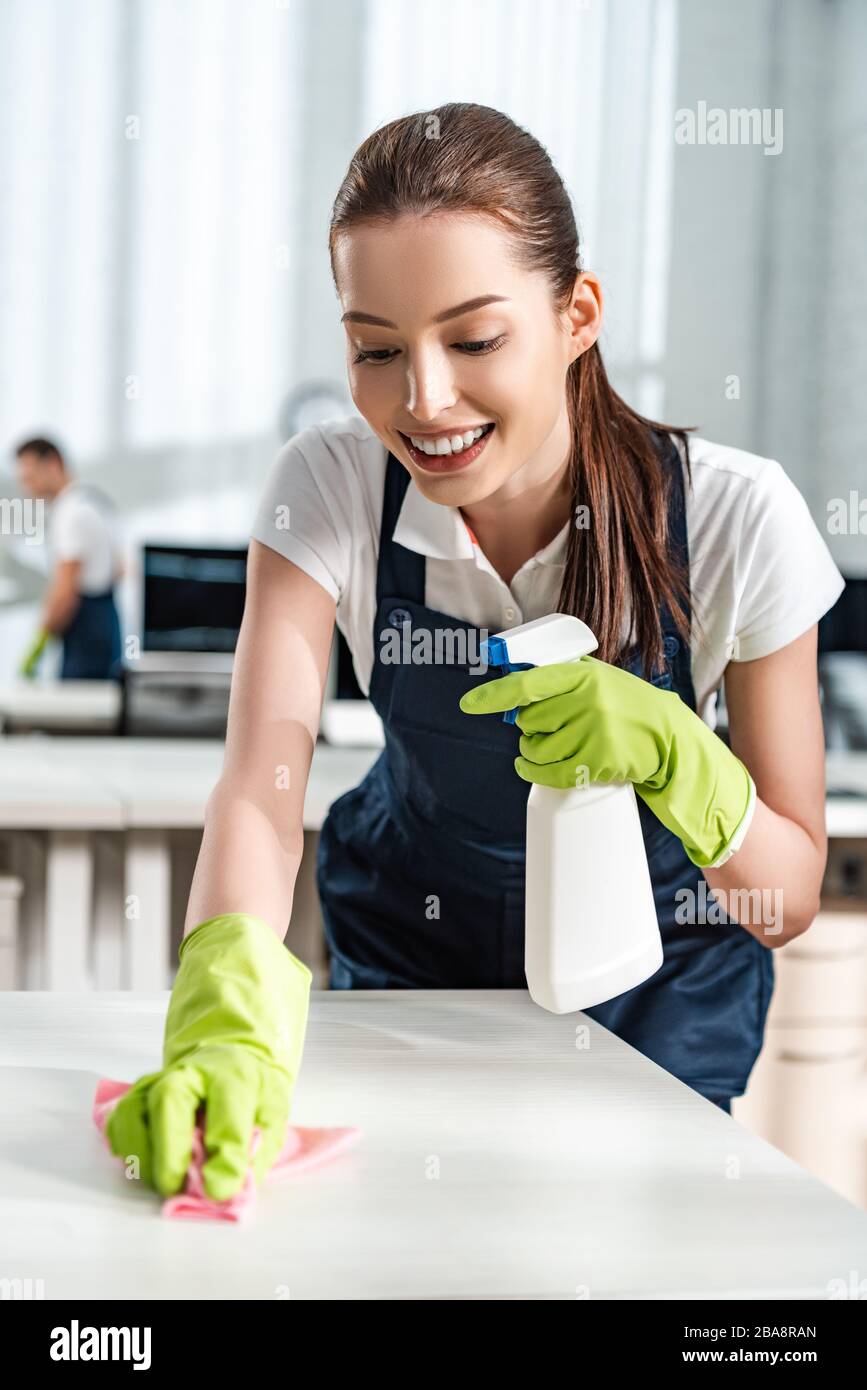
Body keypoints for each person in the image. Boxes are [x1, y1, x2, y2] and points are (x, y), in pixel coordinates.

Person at [106, 103, 844, 1202]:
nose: (424, 399)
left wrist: (679, 754)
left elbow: (784, 902)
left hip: (658, 1010)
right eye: (377, 350)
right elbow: (264, 783)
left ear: (577, 313)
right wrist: (224, 1013)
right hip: (410, 976)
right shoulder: (333, 487)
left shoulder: (737, 516)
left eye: (476, 338)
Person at [15, 437, 123, 680]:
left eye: (31, 477)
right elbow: (122, 568)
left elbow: (65, 593)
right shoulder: (93, 501)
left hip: (87, 632)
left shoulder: (70, 513)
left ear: (53, 463)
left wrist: (37, 646)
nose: (28, 487)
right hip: (105, 623)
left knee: (78, 712)